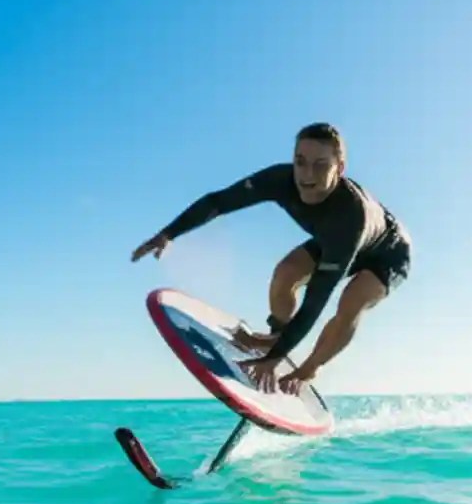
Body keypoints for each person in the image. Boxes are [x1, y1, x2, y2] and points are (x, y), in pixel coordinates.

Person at [130, 122, 412, 395]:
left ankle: (310, 367)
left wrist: (276, 359)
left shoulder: (349, 216)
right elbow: (219, 202)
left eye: (320, 165)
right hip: (336, 240)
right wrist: (168, 234)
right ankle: (276, 336)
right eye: (300, 161)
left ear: (340, 169)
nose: (306, 174)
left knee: (351, 301)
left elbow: (315, 300)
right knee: (285, 274)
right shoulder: (280, 179)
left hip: (388, 252)